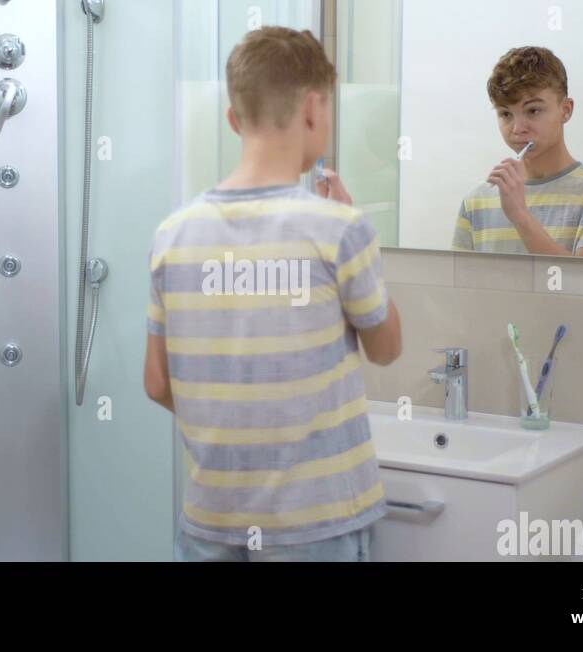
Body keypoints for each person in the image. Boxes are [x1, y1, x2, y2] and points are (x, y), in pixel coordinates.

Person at [143, 26, 402, 562]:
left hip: (210, 520)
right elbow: (385, 348)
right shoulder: (336, 229)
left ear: (234, 120)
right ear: (313, 109)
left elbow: (156, 382)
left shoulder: (173, 234)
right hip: (315, 524)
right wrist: (354, 230)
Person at [453, 46, 583, 257]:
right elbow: (461, 286)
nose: (517, 128)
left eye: (533, 110)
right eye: (505, 114)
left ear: (565, 110)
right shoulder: (476, 201)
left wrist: (520, 215)